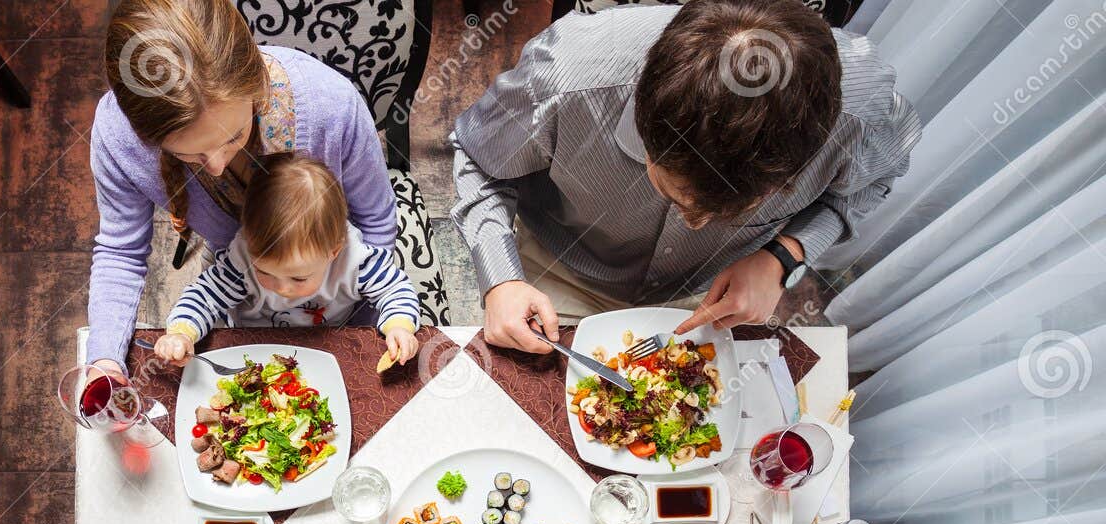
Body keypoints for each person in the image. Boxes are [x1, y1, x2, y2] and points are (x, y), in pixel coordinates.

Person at [451, 0, 920, 352]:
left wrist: (784, 255)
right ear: (645, 119)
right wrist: (501, 280)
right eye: (671, 191)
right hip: (559, 270)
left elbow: (871, 185)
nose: (695, 223)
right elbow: (479, 160)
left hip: (712, 294)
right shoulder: (566, 76)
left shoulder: (864, 115)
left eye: (733, 211)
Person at [89, 0, 398, 376]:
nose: (217, 167)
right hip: (239, 292)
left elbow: (376, 222)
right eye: (189, 154)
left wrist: (353, 340)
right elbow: (120, 254)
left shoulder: (332, 106)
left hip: (339, 298)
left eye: (234, 136)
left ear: (256, 86)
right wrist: (104, 361)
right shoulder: (118, 139)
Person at [154, 152, 420, 370]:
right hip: (255, 348)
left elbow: (395, 289)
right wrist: (181, 332)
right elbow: (205, 296)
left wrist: (399, 325)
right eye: (264, 272)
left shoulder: (354, 260)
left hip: (327, 345)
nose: (282, 288)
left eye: (299, 278)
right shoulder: (244, 257)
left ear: (334, 252)